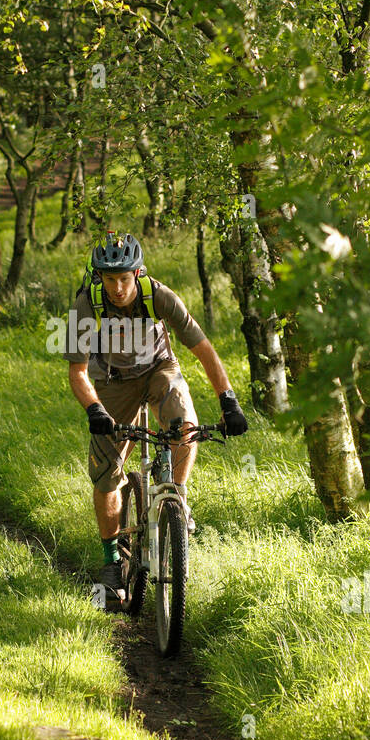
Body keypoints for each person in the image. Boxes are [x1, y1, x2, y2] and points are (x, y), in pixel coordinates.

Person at [63, 230, 248, 598]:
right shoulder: (87, 303)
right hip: (112, 380)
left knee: (186, 426)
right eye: (110, 278)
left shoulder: (158, 296)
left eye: (124, 278)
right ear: (99, 277)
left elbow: (204, 349)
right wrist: (94, 408)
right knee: (106, 476)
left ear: (138, 273)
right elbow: (77, 372)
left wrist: (229, 401)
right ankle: (112, 561)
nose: (118, 287)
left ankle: (176, 494)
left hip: (159, 368)